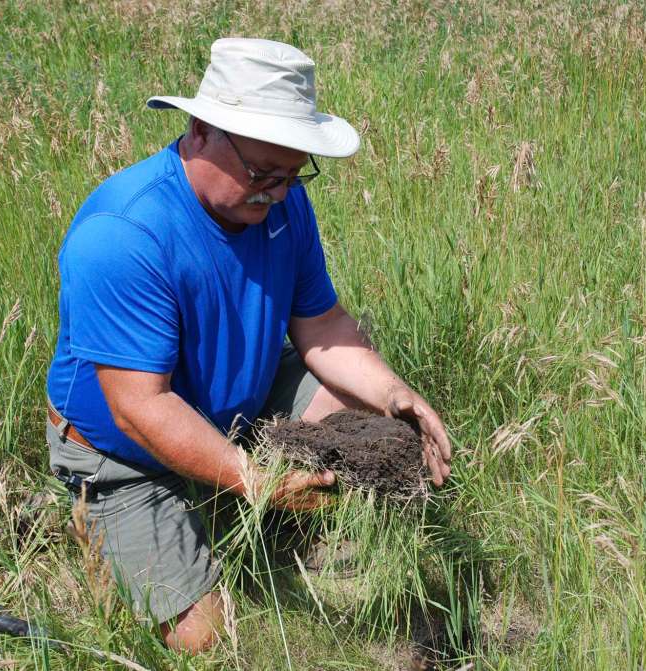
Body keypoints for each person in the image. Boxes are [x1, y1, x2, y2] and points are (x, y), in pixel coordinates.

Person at [45, 37, 452, 653]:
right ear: (201, 130)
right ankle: (113, 532)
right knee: (205, 642)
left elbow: (321, 325)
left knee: (376, 422)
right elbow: (141, 407)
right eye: (262, 173)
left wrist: (397, 393)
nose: (277, 192)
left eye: (292, 174)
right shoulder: (124, 234)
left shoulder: (283, 204)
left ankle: (263, 518)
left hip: (239, 401)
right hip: (123, 455)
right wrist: (253, 479)